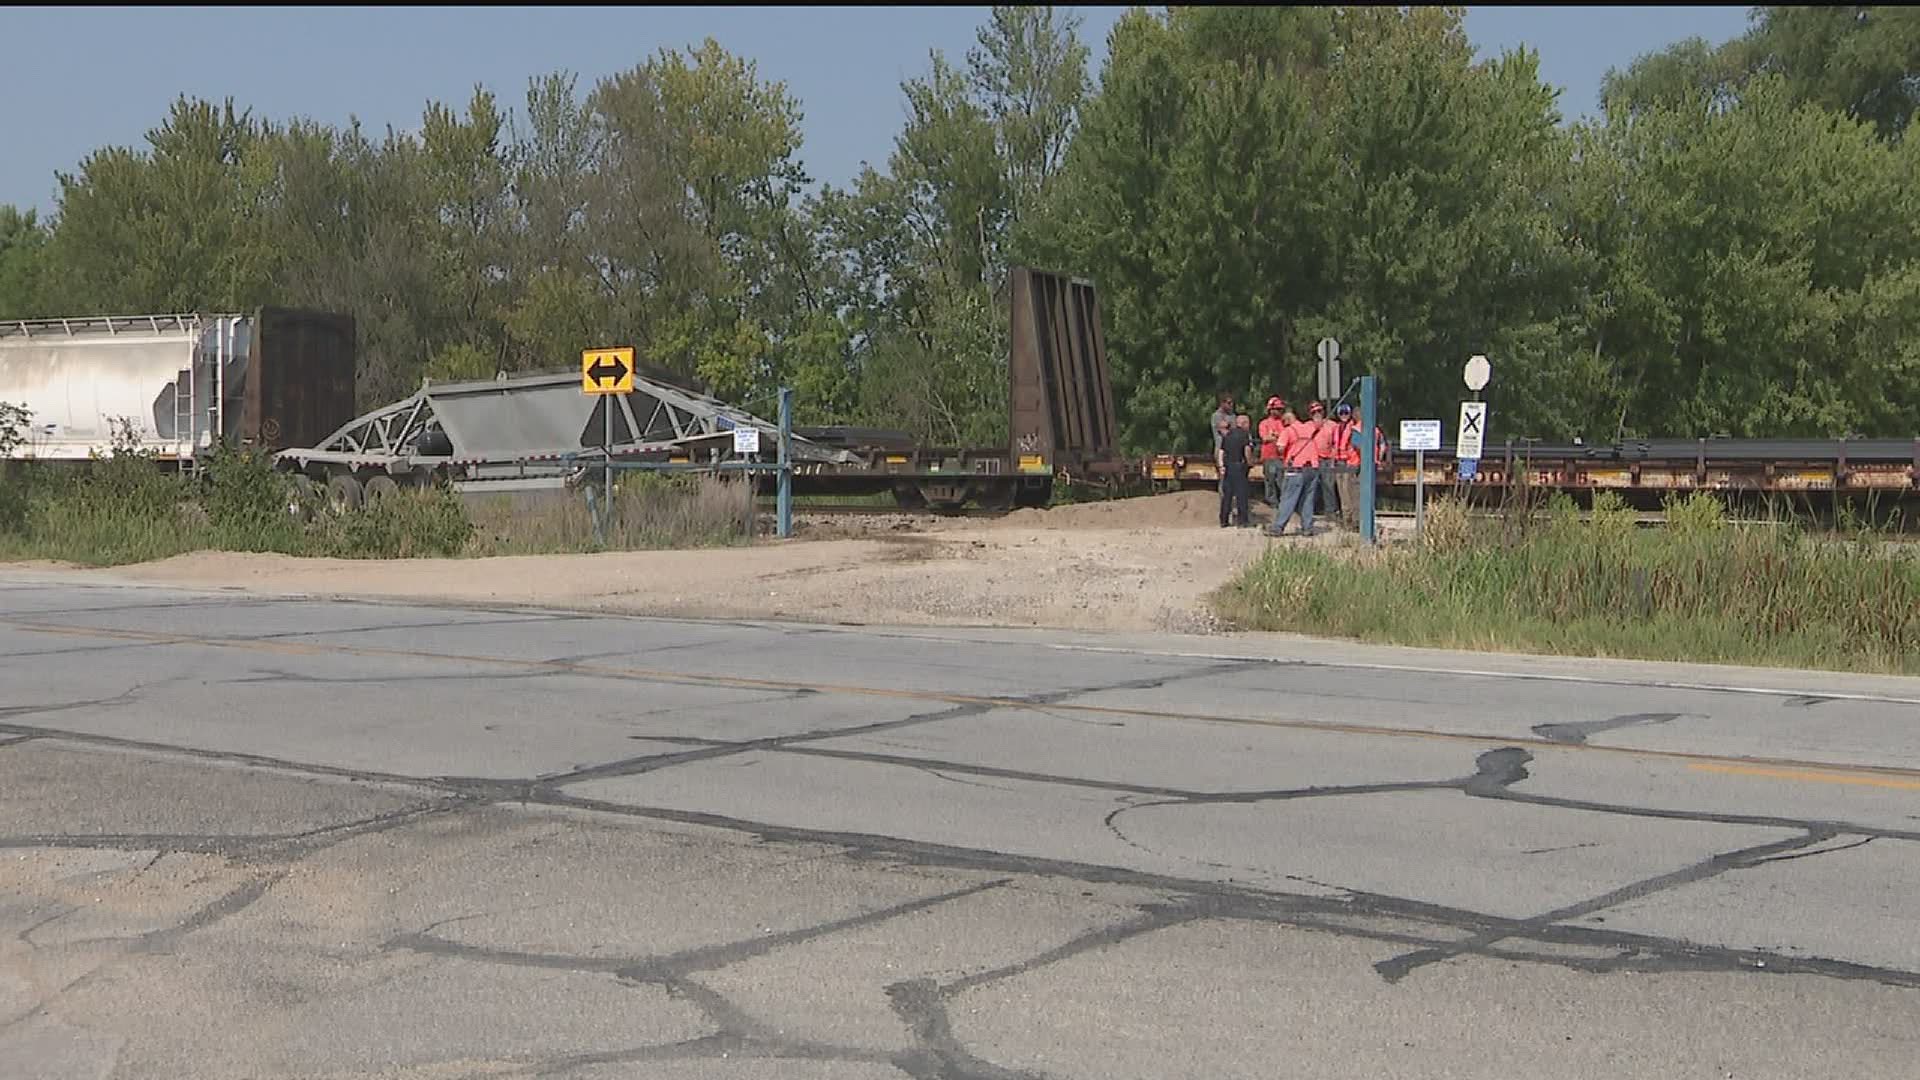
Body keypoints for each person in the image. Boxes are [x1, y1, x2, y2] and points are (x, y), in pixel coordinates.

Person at [1268, 404, 1320, 536]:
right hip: (1313, 468)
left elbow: (1280, 448)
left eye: (1283, 419)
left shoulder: (1288, 431)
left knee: (1288, 498)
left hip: (1295, 468)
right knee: (1308, 499)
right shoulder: (1309, 427)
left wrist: (1276, 441)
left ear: (1288, 418)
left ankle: (1278, 527)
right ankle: (1307, 528)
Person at [1217, 413, 1255, 528]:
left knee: (1227, 495)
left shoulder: (1227, 435)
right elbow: (1246, 450)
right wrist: (1250, 463)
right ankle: (1243, 521)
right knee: (1241, 494)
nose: (1249, 425)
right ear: (1243, 423)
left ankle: (1223, 520)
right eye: (1248, 423)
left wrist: (1221, 465)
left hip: (1228, 467)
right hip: (1239, 466)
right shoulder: (1244, 435)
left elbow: (1221, 451)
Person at [1307, 400, 1341, 519]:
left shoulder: (1332, 425)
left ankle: (1330, 511)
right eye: (1314, 412)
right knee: (1311, 487)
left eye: (1319, 411)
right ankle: (1309, 511)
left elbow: (1336, 443)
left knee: (1329, 486)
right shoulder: (1307, 426)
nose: (1317, 413)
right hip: (1312, 461)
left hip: (1327, 460)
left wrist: (1333, 459)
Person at [1257, 396, 1289, 510]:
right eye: (1277, 409)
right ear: (1270, 410)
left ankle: (1285, 503)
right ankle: (1272, 503)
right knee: (1269, 481)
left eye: (1281, 409)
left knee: (1282, 481)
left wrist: (1276, 436)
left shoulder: (1284, 422)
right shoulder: (1264, 423)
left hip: (1281, 457)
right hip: (1268, 456)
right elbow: (1265, 438)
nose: (1279, 411)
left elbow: (1287, 437)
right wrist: (1278, 437)